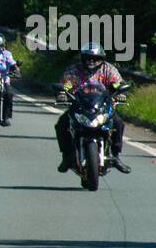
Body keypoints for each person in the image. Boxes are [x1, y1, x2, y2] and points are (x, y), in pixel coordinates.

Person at [55, 43, 130, 173]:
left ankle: (116, 156)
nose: (91, 61)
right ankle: (66, 157)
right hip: (79, 106)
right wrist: (62, 93)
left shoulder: (109, 69)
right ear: (82, 58)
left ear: (102, 58)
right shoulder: (74, 70)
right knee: (62, 124)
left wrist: (121, 93)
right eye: (88, 58)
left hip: (103, 107)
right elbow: (66, 84)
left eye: (95, 58)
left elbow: (119, 83)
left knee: (118, 123)